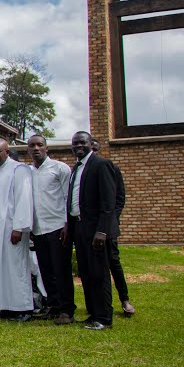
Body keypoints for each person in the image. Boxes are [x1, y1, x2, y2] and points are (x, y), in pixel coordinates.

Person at [67, 131, 119, 330]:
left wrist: (103, 231)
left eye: (82, 142)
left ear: (90, 144)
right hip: (79, 227)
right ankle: (94, 313)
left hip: (95, 229)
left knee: (99, 274)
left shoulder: (100, 164)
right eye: (75, 143)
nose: (78, 146)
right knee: (87, 273)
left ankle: (104, 318)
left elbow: (108, 202)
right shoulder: (77, 168)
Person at [0, 138, 35, 321]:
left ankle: (21, 307)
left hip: (12, 229)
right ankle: (2, 305)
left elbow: (23, 200)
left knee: (15, 268)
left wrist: (19, 228)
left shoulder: (19, 170)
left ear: (7, 152)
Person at [27, 135, 75, 325]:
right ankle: (53, 306)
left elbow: (67, 197)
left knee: (61, 269)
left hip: (57, 227)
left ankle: (67, 309)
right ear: (28, 150)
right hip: (38, 228)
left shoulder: (59, 168)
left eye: (40, 145)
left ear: (47, 148)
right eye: (32, 145)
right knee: (46, 270)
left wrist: (67, 224)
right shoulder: (28, 172)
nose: (36, 148)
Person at [92, 139, 134, 316]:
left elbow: (118, 199)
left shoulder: (109, 168)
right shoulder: (80, 170)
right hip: (89, 227)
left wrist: (110, 222)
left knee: (113, 262)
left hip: (107, 228)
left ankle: (124, 299)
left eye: (94, 149)